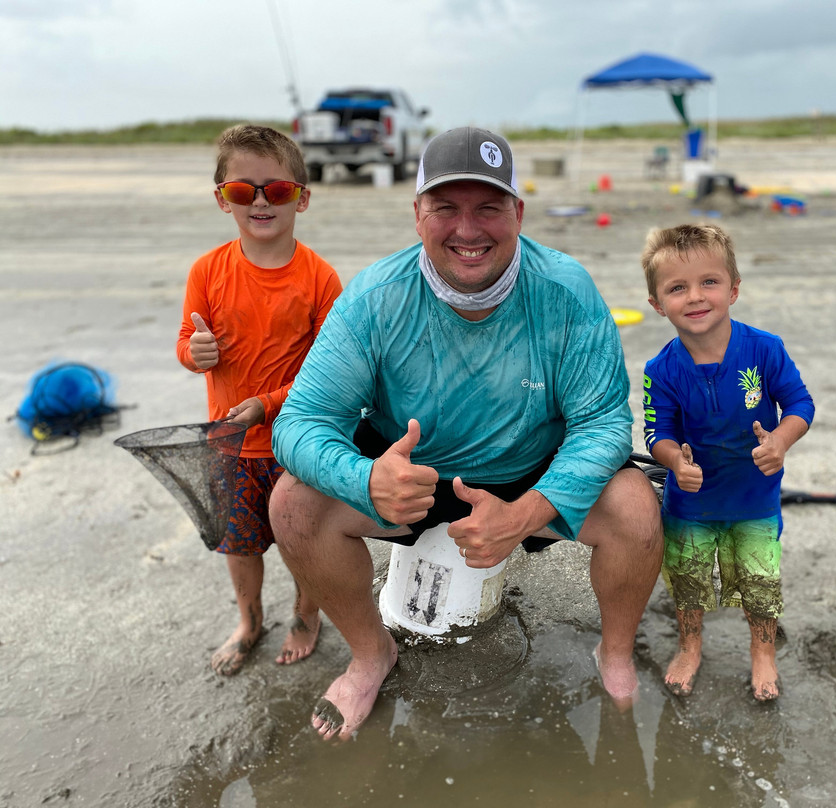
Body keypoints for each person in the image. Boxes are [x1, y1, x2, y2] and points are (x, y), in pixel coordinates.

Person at [269, 126, 662, 740]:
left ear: (519, 212)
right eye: (446, 207)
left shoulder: (565, 290)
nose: (468, 229)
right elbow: (299, 424)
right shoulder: (374, 297)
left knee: (637, 509)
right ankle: (372, 655)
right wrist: (365, 477)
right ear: (417, 214)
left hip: (530, 473)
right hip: (413, 481)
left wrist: (530, 510)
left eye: (488, 207)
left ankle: (614, 652)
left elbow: (605, 423)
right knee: (292, 504)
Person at [176, 124, 343, 676]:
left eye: (278, 189)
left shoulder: (320, 279)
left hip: (297, 443)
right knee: (239, 545)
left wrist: (266, 405)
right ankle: (248, 621)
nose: (262, 202)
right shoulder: (206, 271)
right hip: (229, 442)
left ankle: (305, 614)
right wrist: (195, 352)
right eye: (245, 191)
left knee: (302, 539)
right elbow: (186, 343)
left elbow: (332, 375)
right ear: (224, 200)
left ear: (303, 196)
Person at [640, 223, 814, 701]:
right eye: (678, 288)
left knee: (759, 581)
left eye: (709, 282)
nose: (695, 297)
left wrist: (779, 440)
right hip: (690, 503)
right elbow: (657, 432)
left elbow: (801, 404)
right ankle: (690, 646)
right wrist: (675, 461)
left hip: (754, 498)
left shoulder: (764, 349)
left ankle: (763, 653)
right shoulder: (661, 370)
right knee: (690, 580)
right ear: (658, 304)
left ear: (733, 289)